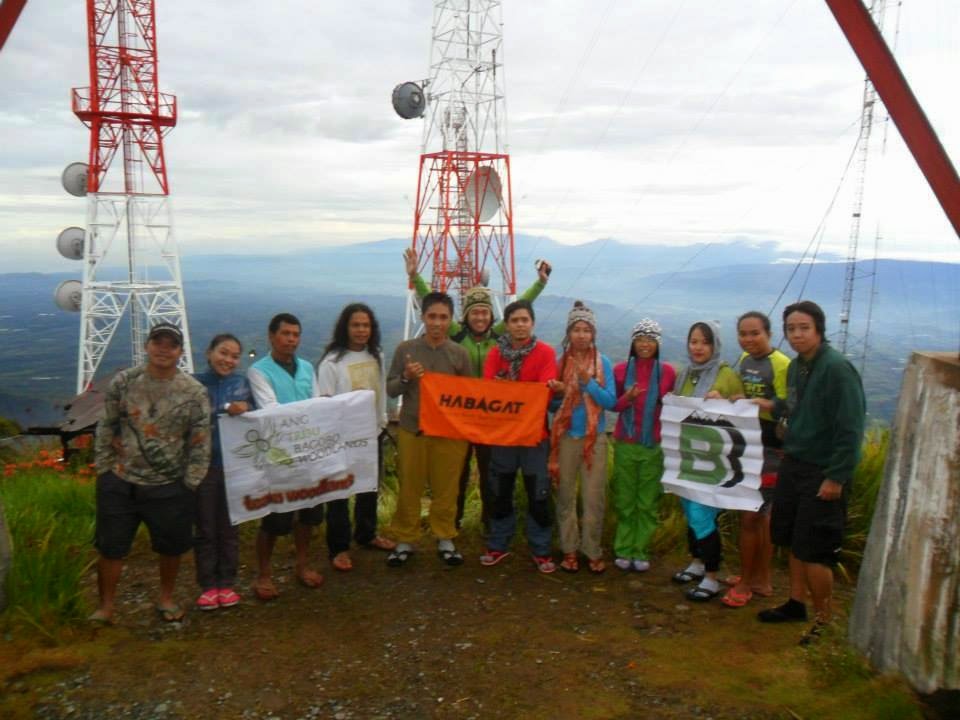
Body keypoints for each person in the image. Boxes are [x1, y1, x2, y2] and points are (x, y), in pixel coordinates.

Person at [404, 250, 553, 531]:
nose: (481, 317)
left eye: (485, 312)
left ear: (491, 314)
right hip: (459, 417)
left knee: (490, 473)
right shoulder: (457, 333)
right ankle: (452, 522)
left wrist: (541, 284)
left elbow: (521, 307)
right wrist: (415, 277)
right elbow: (433, 304)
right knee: (455, 473)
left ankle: (490, 522)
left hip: (489, 417)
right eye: (475, 312)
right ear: (468, 315)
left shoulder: (499, 334)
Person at [758, 301, 865, 645]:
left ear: (819, 329)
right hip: (794, 463)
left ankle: (824, 621)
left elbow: (850, 428)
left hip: (822, 471)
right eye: (791, 328)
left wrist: (836, 476)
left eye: (804, 327)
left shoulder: (837, 369)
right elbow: (794, 407)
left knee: (815, 549)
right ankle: (795, 603)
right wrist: (769, 405)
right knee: (791, 539)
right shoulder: (797, 368)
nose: (797, 334)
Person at [91, 322, 210, 624]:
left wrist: (191, 483)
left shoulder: (194, 392)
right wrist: (104, 470)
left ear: (180, 352)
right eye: (158, 342)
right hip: (120, 481)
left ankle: (166, 598)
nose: (163, 349)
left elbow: (200, 440)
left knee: (171, 547)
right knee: (111, 547)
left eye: (171, 344)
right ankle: (105, 607)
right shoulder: (124, 382)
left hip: (169, 486)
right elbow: (106, 425)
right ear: (147, 345)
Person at [384, 292, 471, 567]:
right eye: (432, 316)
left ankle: (445, 537)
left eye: (443, 317)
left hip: (448, 434)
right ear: (422, 317)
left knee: (446, 489)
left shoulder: (459, 354)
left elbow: (469, 395)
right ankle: (405, 539)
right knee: (410, 486)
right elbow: (390, 388)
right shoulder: (405, 350)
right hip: (413, 429)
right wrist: (407, 377)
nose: (437, 323)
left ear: (451, 320)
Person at [247, 313, 323, 600]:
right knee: (275, 518)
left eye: (296, 334)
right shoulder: (259, 371)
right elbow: (270, 408)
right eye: (286, 334)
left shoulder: (306, 367)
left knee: (308, 515)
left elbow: (317, 403)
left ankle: (301, 566)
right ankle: (263, 574)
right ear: (271, 336)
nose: (291, 339)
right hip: (278, 456)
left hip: (309, 453)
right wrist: (309, 412)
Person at [316, 303, 396, 572]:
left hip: (372, 433)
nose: (361, 330)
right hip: (341, 438)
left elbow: (381, 389)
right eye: (356, 325)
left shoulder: (377, 355)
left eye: (366, 325)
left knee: (368, 488)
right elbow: (324, 402)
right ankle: (338, 548)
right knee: (339, 493)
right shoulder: (332, 362)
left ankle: (366, 534)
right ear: (345, 327)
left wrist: (382, 420)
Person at [481, 299, 558, 573]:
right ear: (507, 325)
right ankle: (498, 544)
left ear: (532, 323)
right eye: (514, 320)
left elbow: (545, 391)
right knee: (500, 491)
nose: (520, 325)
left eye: (525, 320)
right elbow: (491, 391)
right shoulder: (495, 354)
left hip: (535, 436)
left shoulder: (546, 353)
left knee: (538, 493)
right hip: (503, 437)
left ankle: (541, 549)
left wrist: (511, 388)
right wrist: (522, 389)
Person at [670, 321, 745, 602]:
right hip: (687, 455)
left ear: (715, 345)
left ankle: (712, 577)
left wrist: (724, 400)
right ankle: (697, 562)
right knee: (690, 511)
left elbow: (742, 411)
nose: (698, 347)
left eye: (704, 342)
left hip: (714, 461)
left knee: (703, 516)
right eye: (693, 341)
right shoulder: (686, 374)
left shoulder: (725, 375)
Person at [720, 312, 790, 608]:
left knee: (753, 516)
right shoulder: (746, 362)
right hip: (749, 445)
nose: (748, 339)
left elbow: (789, 405)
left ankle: (748, 584)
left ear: (769, 333)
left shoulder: (782, 364)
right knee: (758, 518)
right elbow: (739, 394)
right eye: (743, 334)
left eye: (755, 333)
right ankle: (760, 578)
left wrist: (766, 404)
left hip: (773, 449)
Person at [547, 301, 617, 574]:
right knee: (565, 496)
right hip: (565, 438)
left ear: (593, 334)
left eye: (586, 330)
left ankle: (592, 550)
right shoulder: (560, 362)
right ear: (569, 332)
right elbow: (552, 407)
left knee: (593, 497)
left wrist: (587, 382)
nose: (581, 335)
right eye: (576, 329)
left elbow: (609, 400)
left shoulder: (603, 363)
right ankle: (569, 549)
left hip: (594, 438)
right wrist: (559, 393)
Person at [193, 333, 256, 611]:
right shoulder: (193, 384)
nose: (228, 360)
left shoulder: (242, 383)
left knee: (230, 527)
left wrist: (247, 407)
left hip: (234, 467)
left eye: (234, 356)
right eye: (223, 353)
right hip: (202, 466)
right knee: (205, 526)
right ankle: (208, 586)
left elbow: (258, 413)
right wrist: (222, 408)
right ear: (209, 353)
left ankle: (227, 583)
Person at [610, 319, 676, 572]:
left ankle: (641, 549)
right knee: (625, 499)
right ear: (633, 342)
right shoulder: (619, 371)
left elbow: (675, 404)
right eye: (640, 339)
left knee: (647, 501)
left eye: (650, 340)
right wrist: (628, 398)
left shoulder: (668, 372)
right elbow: (613, 405)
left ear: (657, 343)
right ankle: (624, 549)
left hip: (653, 444)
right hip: (625, 442)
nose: (645, 344)